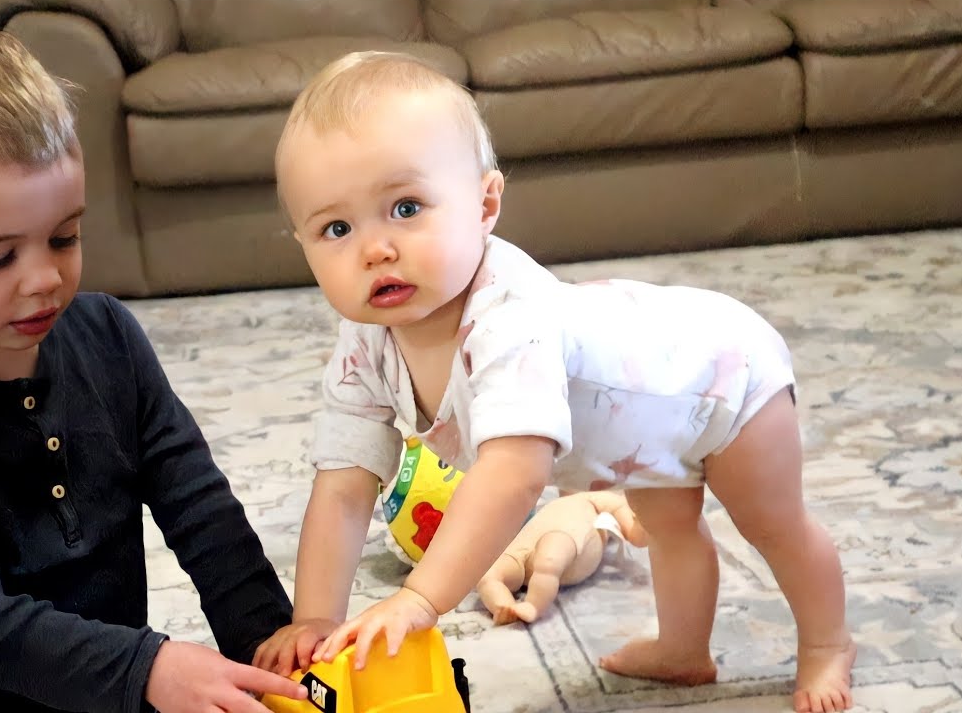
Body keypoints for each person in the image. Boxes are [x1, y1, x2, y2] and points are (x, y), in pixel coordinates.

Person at [254, 51, 856, 713]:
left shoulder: (510, 317)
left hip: (721, 381)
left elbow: (513, 474)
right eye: (336, 228)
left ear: (485, 205)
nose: (375, 248)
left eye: (405, 207)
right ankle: (686, 652)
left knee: (771, 522)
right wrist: (314, 618)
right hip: (638, 426)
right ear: (303, 245)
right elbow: (342, 483)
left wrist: (419, 597)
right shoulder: (364, 341)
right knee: (668, 518)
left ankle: (827, 644)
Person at [0, 21, 305, 713]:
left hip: (112, 695)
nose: (45, 278)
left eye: (64, 236)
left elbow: (199, 505)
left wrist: (266, 640)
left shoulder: (108, 335)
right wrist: (149, 670)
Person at [477, 490, 647, 626]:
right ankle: (503, 606)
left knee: (549, 558)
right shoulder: (556, 501)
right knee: (490, 575)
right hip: (527, 542)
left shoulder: (603, 499)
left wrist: (645, 516)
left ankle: (533, 605)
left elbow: (637, 536)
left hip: (564, 539)